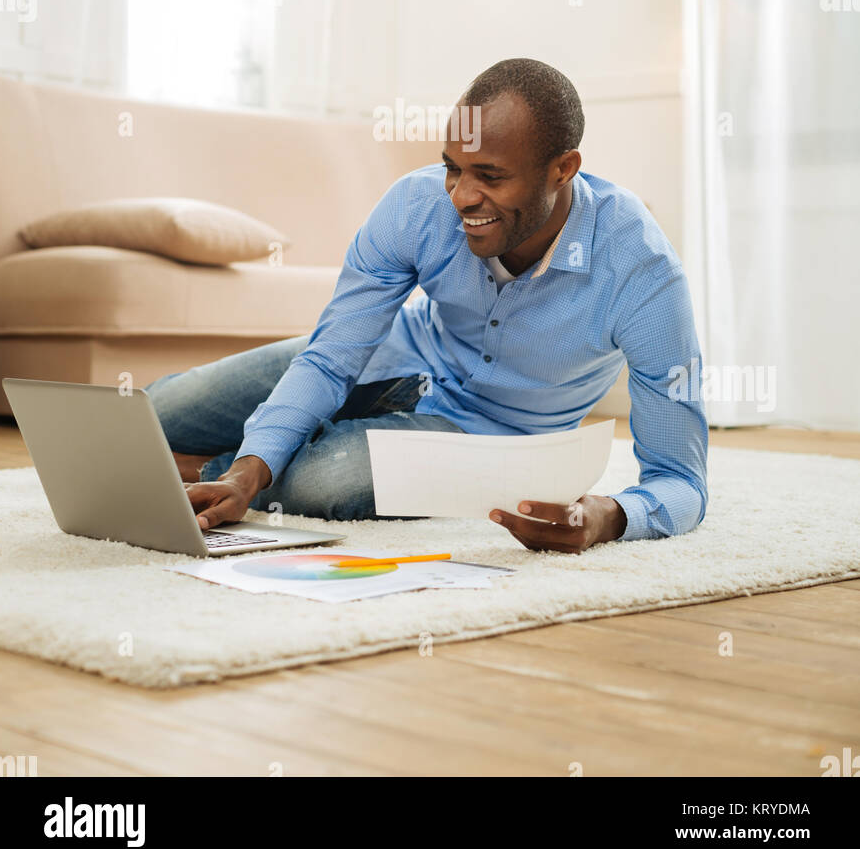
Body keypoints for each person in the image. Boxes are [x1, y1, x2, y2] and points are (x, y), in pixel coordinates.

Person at [148, 57, 707, 553]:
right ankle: (221, 461)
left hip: (495, 434)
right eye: (452, 168)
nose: (462, 196)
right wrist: (253, 465)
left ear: (563, 169)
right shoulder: (416, 205)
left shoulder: (642, 270)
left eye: (490, 176)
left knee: (331, 481)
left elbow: (680, 479)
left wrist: (607, 516)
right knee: (157, 411)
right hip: (396, 358)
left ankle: (201, 470)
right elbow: (331, 357)